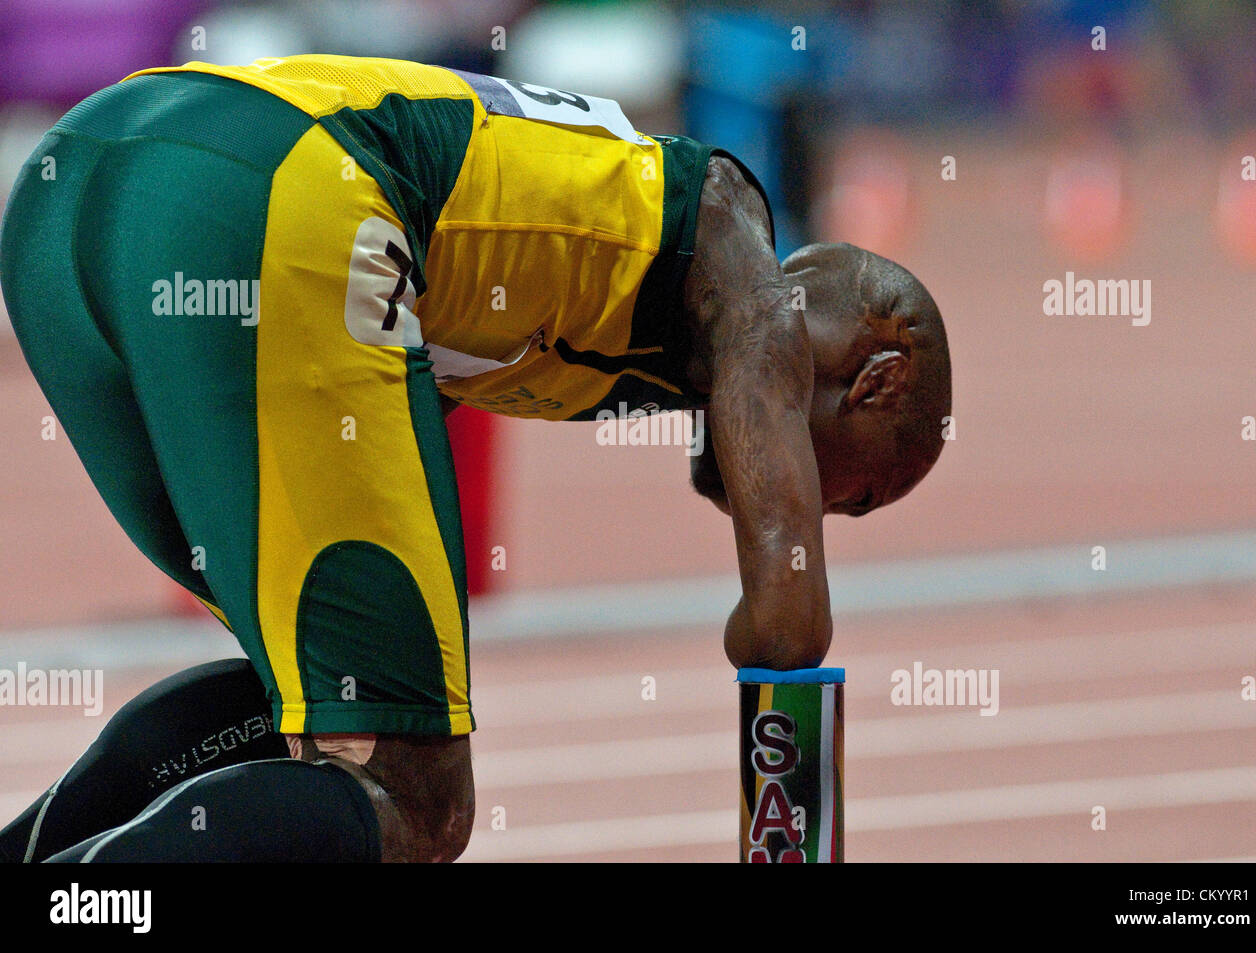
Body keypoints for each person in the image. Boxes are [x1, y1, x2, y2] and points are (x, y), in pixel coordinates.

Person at [0, 54, 950, 862]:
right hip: (273, 191)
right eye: (856, 496)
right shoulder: (738, 251)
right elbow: (786, 623)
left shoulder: (622, 305)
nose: (819, 509)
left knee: (328, 693)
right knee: (415, 795)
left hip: (77, 197)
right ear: (875, 381)